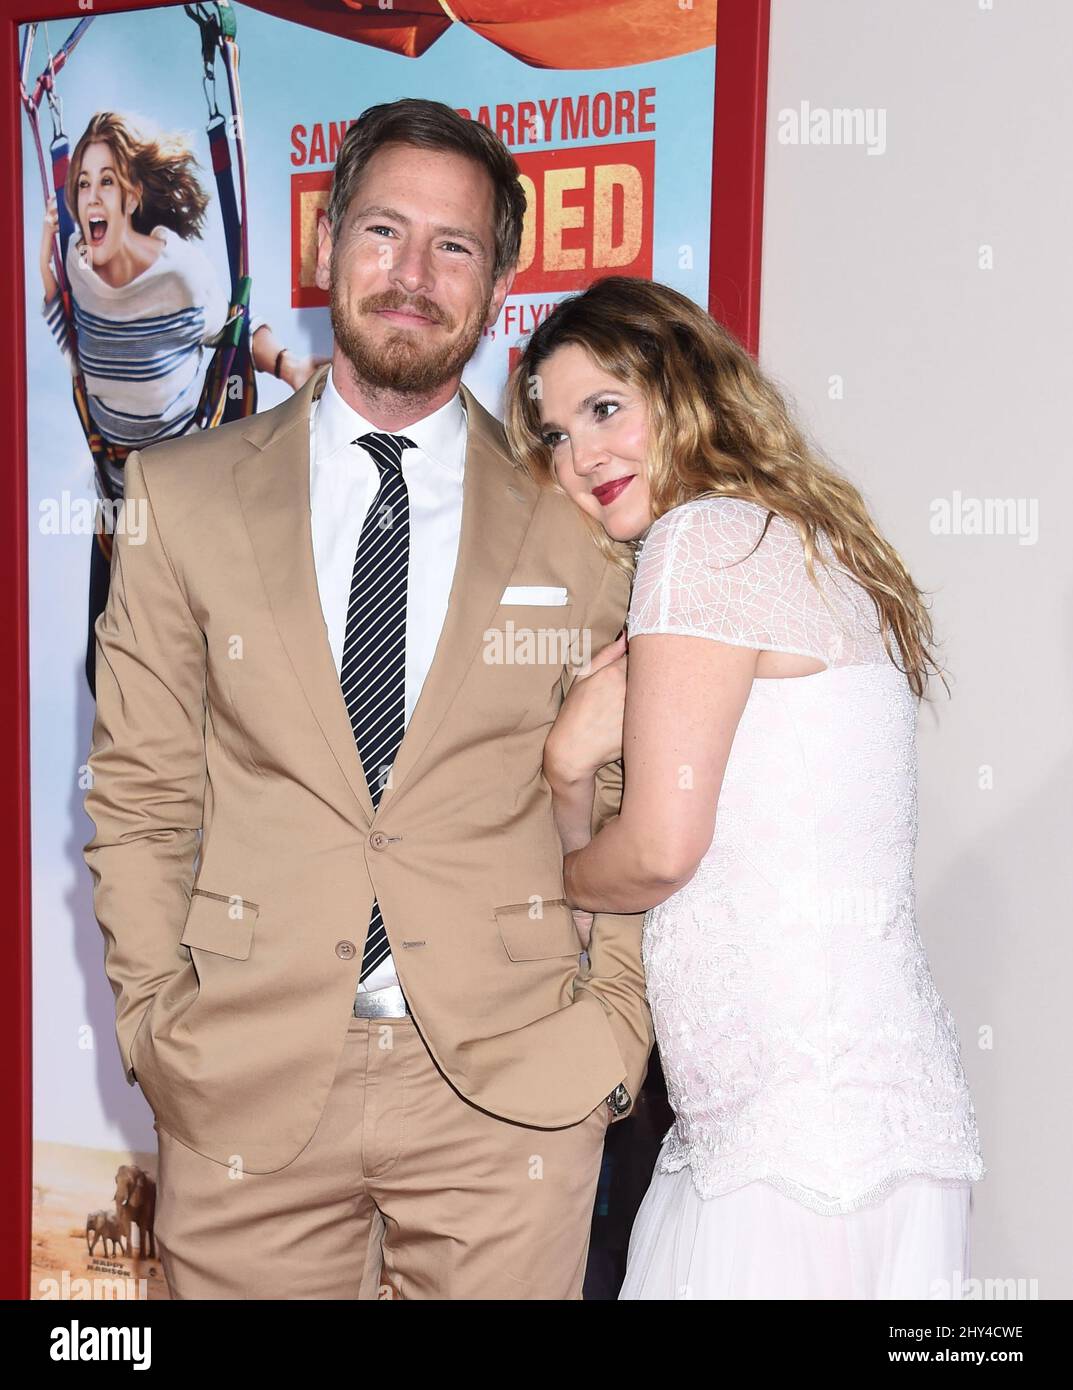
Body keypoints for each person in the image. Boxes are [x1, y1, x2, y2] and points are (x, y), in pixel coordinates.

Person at [82, 98, 652, 1301]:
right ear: (324, 240)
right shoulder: (177, 497)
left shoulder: (581, 518)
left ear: (499, 281)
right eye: (383, 231)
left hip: (510, 1094)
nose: (411, 275)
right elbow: (139, 792)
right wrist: (151, 1024)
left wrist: (611, 1031)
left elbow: (624, 798)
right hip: (244, 1077)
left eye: (453, 247)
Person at [503, 274, 986, 1300]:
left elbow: (658, 850)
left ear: (684, 389)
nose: (580, 455)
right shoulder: (805, 541)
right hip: (872, 1134)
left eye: (603, 408)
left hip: (783, 1156)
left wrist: (555, 807)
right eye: (551, 434)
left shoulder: (701, 541)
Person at [39, 110, 323, 694]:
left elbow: (237, 332)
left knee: (214, 670)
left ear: (134, 195)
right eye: (84, 183)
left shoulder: (184, 280)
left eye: (108, 181)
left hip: (182, 504)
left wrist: (287, 364)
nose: (92, 196)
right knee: (106, 677)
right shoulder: (75, 261)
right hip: (119, 514)